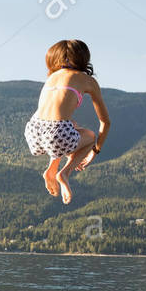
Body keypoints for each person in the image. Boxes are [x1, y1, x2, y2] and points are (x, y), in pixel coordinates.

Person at [24, 39, 111, 204]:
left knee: (69, 125)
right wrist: (95, 151)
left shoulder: (51, 77)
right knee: (90, 136)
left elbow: (53, 121)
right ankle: (64, 173)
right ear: (84, 59)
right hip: (57, 134)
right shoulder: (87, 81)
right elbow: (105, 122)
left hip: (33, 131)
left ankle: (51, 169)